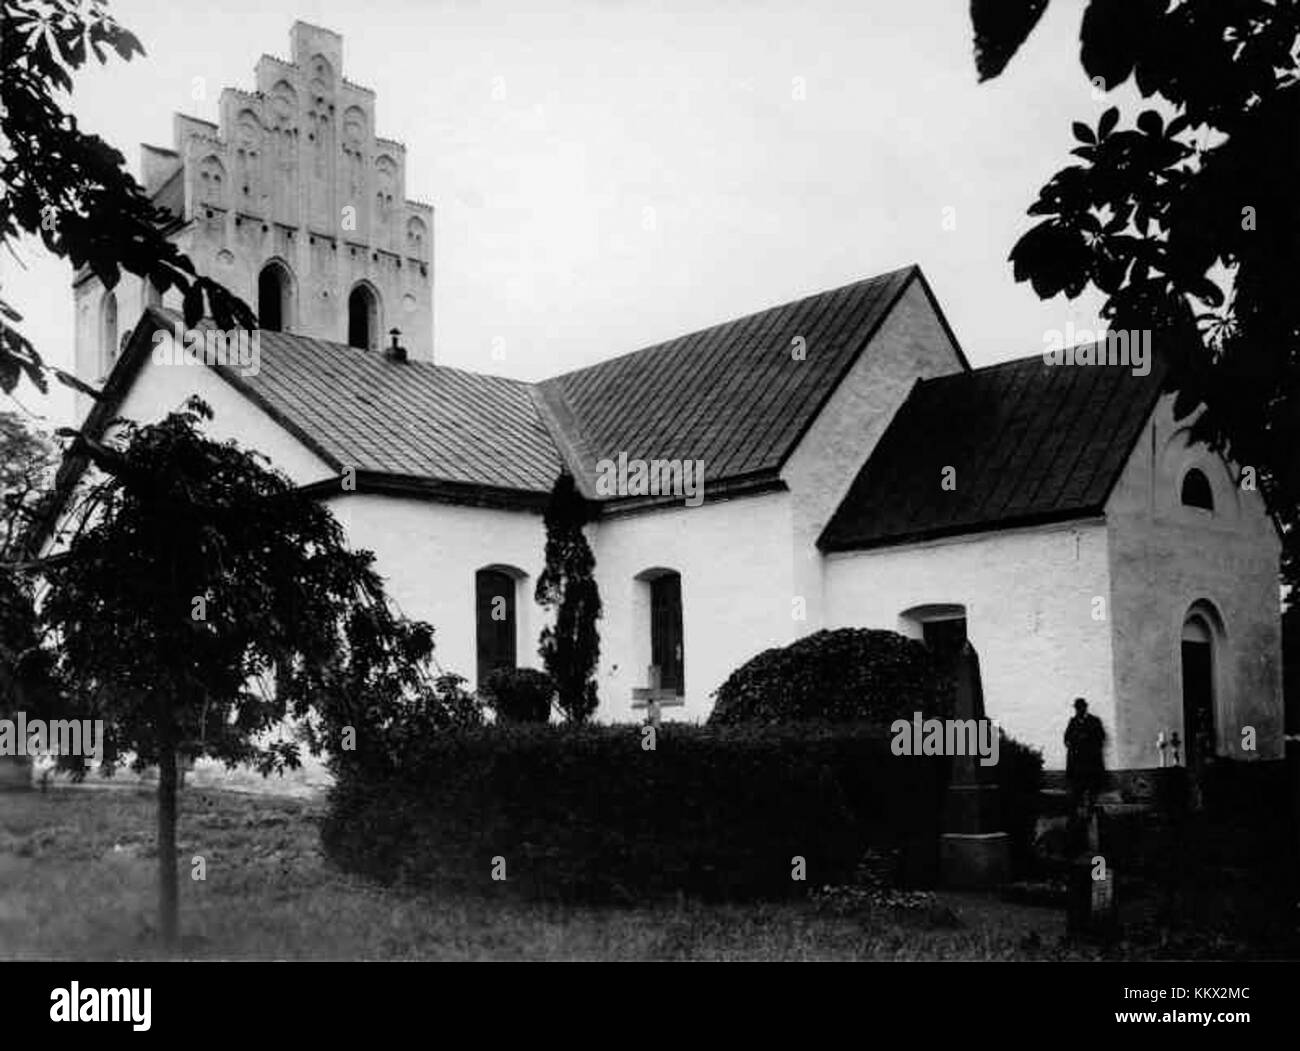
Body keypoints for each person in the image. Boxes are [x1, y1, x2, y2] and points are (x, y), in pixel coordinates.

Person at [1064, 697, 1106, 812]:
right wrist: (1073, 742)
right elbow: (1066, 738)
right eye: (1077, 708)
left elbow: (1101, 737)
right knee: (1077, 789)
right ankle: (1078, 812)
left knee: (1092, 788)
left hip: (1091, 762)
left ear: (1085, 708)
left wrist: (1088, 740)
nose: (1078, 710)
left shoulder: (1094, 721)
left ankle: (1090, 809)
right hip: (1077, 763)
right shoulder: (1073, 722)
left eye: (1081, 708)